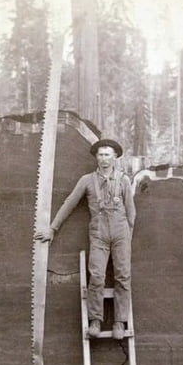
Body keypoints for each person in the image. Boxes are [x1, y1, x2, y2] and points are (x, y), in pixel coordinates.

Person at [35, 138, 135, 340]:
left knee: (122, 276)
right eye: (100, 154)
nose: (104, 159)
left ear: (115, 157)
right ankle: (96, 319)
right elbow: (69, 204)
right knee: (96, 275)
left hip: (120, 233)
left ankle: (119, 321)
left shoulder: (123, 180)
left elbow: (132, 212)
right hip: (98, 234)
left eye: (107, 154)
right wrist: (52, 229)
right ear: (96, 157)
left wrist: (127, 237)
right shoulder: (87, 180)